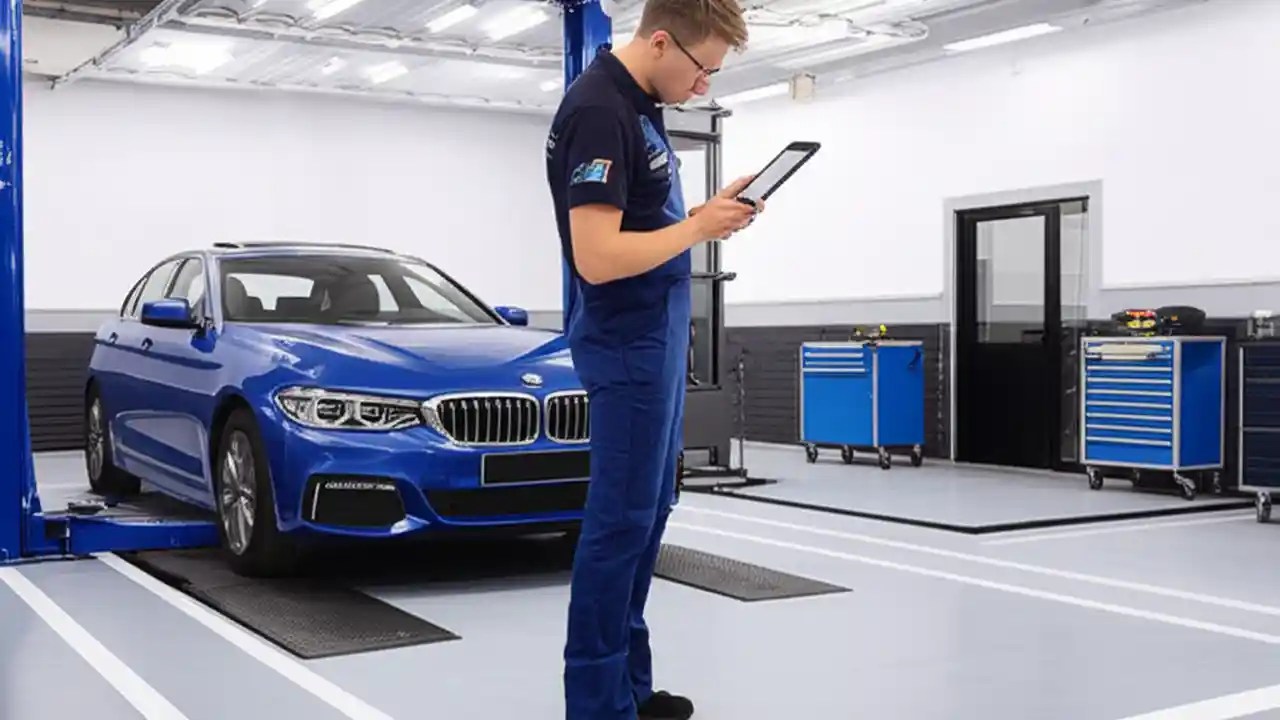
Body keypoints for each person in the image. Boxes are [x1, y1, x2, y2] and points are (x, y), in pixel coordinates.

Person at [543, 1, 757, 718]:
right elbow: (598, 257)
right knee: (618, 525)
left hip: (656, 337)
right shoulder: (599, 111)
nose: (704, 88)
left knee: (648, 517)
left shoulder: (641, 103)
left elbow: (644, 218)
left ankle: (629, 689)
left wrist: (707, 213)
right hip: (626, 343)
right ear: (660, 40)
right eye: (702, 71)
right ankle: (597, 706)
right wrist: (699, 227)